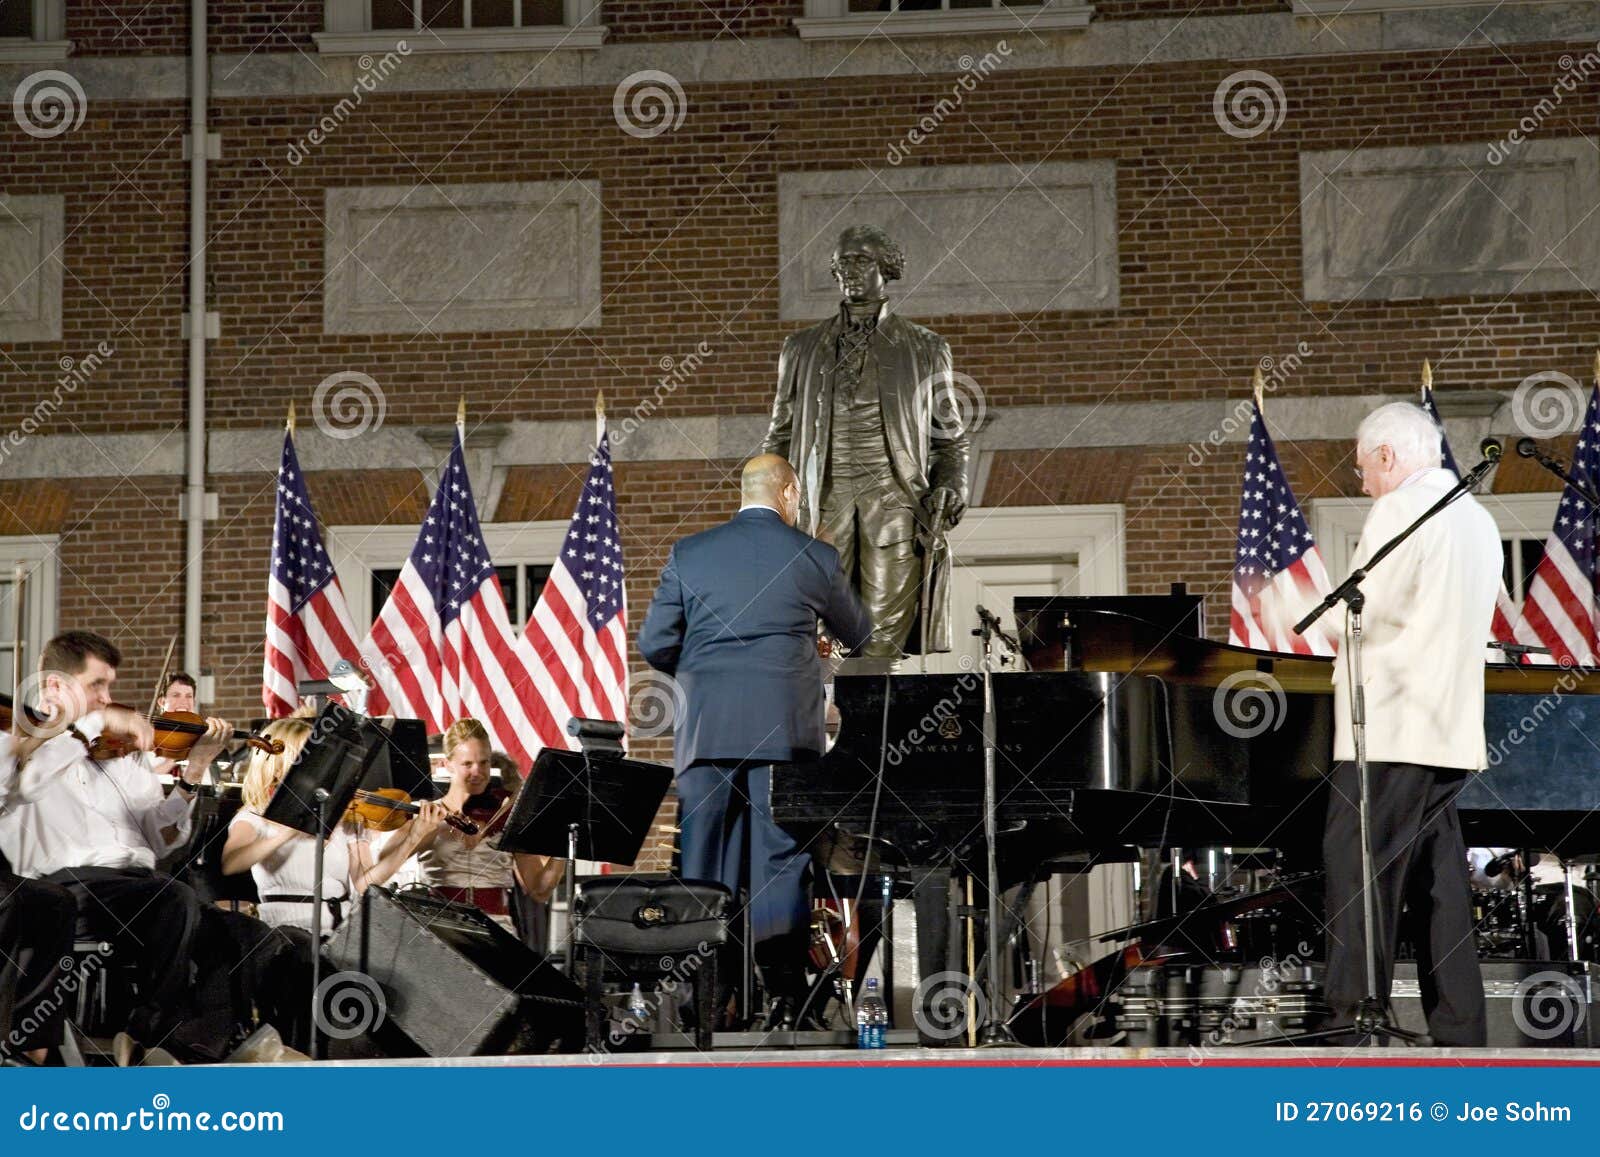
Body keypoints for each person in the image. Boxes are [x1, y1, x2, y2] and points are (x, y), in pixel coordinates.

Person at [637, 454, 873, 1027]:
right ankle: (786, 1000)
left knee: (702, 863)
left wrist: (700, 665)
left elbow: (653, 643)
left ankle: (705, 1001)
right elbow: (860, 633)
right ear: (788, 493)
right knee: (779, 863)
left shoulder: (690, 553)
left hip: (707, 730)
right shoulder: (813, 556)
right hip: (784, 732)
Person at [1322, 402, 1498, 1046]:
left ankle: (1351, 1023)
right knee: (1439, 882)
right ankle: (1461, 1028)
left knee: (1355, 869)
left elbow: (1374, 610)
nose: (1362, 482)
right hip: (1448, 727)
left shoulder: (1402, 509)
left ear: (1388, 456)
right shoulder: (1476, 520)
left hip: (1391, 724)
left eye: (1364, 466)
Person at [0, 630, 258, 1058]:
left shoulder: (123, 753)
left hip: (137, 886)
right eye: (95, 685)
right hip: (63, 890)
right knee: (174, 899)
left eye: (109, 687)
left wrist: (193, 770)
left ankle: (199, 1047)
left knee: (235, 933)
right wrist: (89, 727)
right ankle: (148, 1035)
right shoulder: (25, 745)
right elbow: (22, 786)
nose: (106, 698)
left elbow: (161, 838)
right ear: (55, 687)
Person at [760, 224, 971, 659]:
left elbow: (949, 440)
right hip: (821, 503)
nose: (848, 271)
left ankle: (877, 726)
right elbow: (779, 434)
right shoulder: (800, 348)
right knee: (821, 633)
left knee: (881, 639)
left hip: (893, 503)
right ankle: (826, 725)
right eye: (841, 263)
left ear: (885, 267)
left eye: (860, 260)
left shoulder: (925, 347)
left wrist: (951, 486)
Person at [220, 716, 446, 934]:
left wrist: (412, 839)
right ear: (278, 764)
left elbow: (365, 884)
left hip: (342, 931)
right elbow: (232, 863)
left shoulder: (342, 816)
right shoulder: (254, 815)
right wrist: (288, 831)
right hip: (286, 930)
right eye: (310, 758)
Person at [408, 719, 563, 937]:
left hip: (497, 925)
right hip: (440, 924)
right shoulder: (429, 814)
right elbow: (384, 865)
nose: (477, 772)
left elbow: (539, 890)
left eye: (484, 763)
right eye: (467, 764)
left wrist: (563, 845)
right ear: (448, 764)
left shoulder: (509, 816)